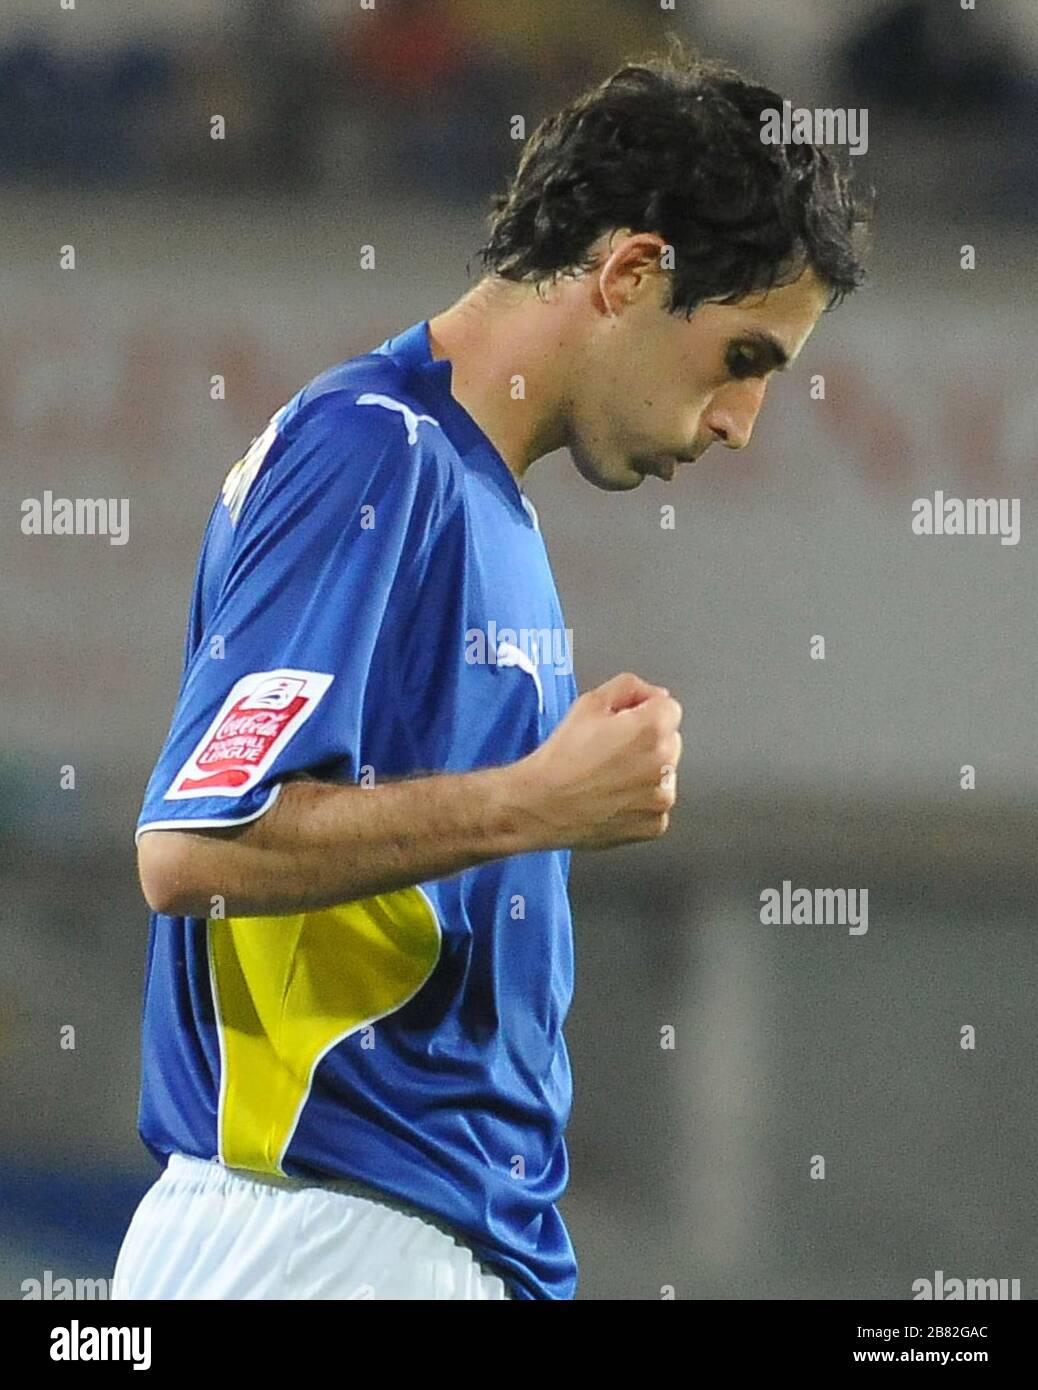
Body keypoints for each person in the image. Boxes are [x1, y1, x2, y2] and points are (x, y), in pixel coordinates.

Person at [112, 42, 869, 1302]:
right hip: (320, 1240)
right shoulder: (375, 451)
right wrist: (541, 802)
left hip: (400, 1237)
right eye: (746, 359)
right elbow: (193, 849)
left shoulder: (478, 500)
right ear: (633, 273)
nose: (742, 424)